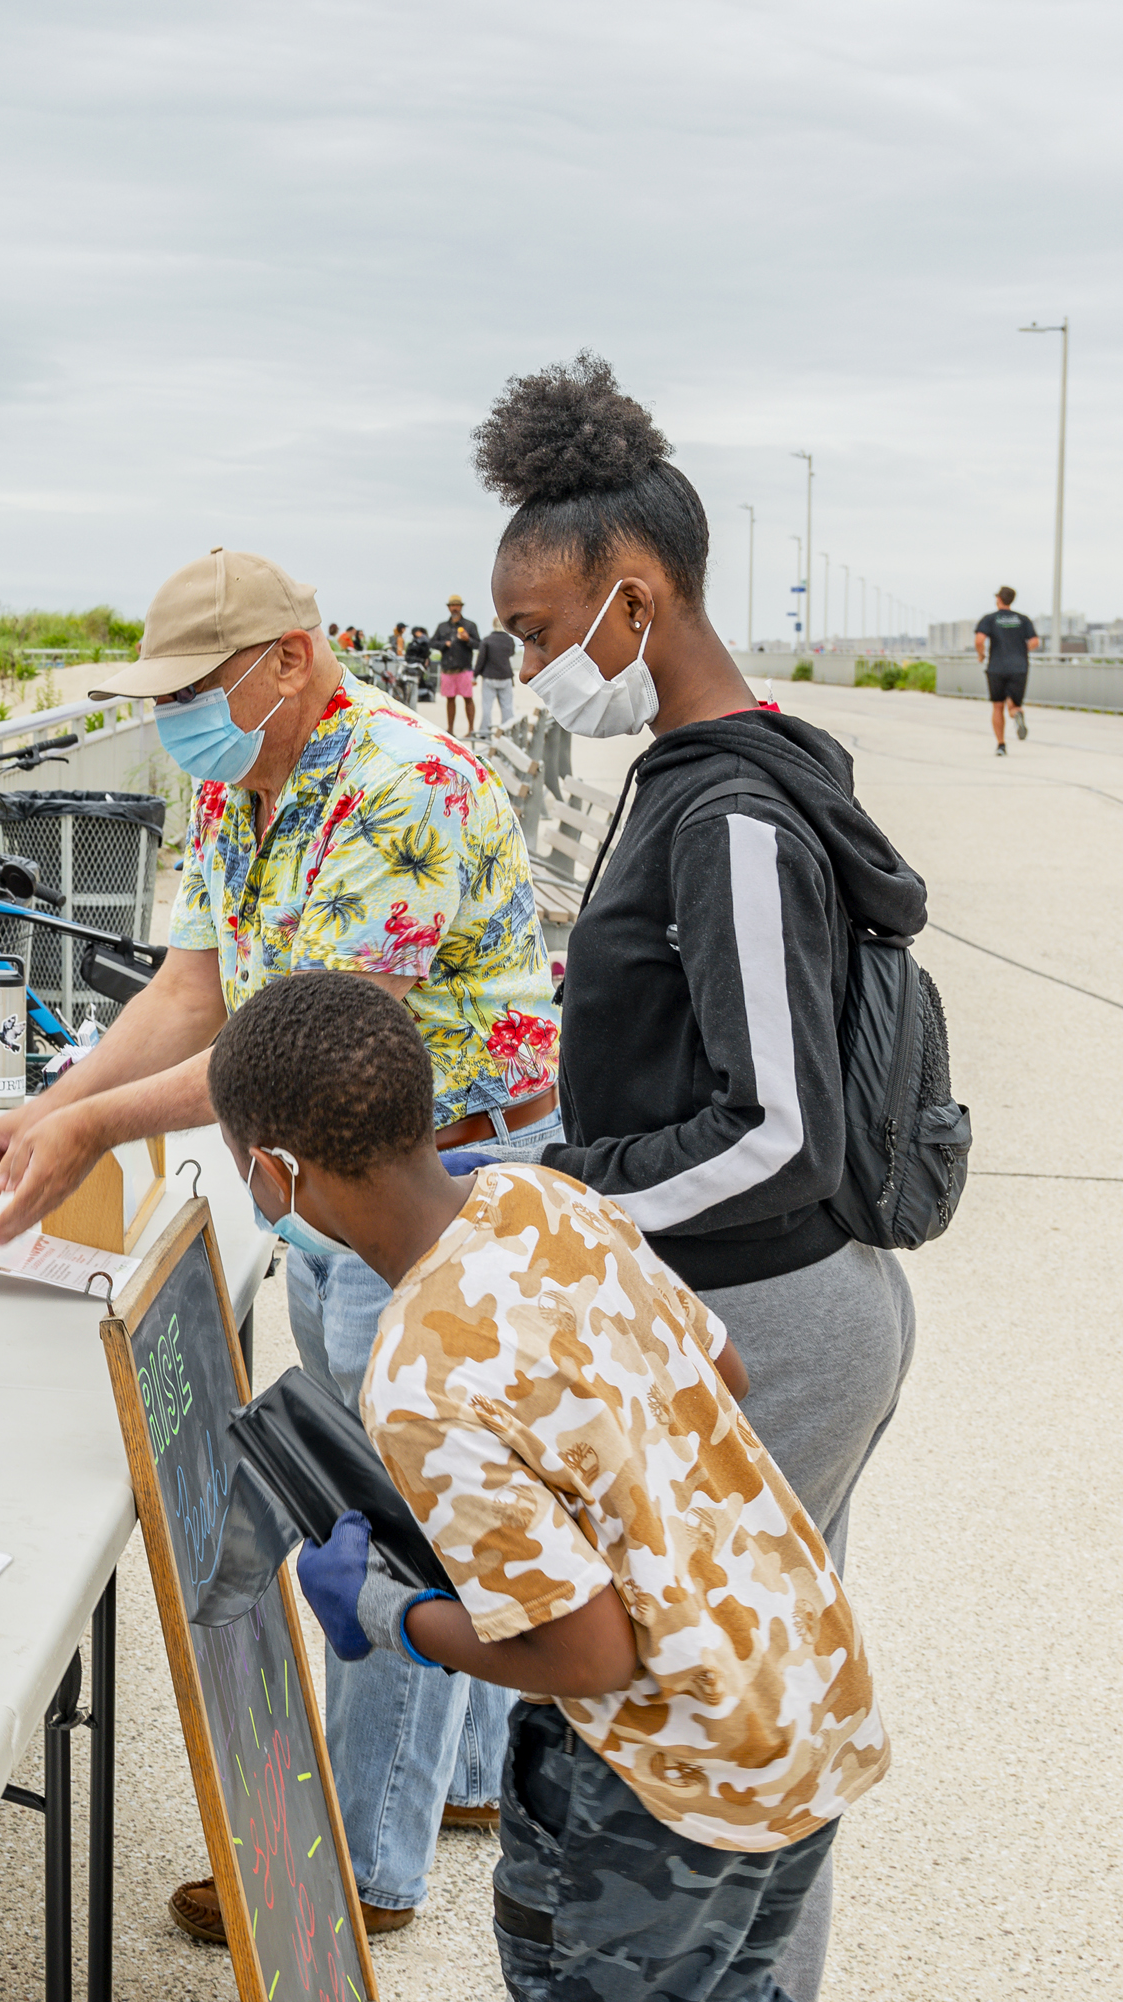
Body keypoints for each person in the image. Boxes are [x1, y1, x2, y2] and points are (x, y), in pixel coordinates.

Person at [0, 546, 562, 1938]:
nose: (179, 715)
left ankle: (358, 1866)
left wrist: (96, 1132)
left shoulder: (405, 786)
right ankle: (457, 1777)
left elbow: (287, 1040)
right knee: (436, 1479)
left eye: (197, 686)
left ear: (292, 655)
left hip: (436, 1176)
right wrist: (56, 1103)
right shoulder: (236, 784)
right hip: (328, 1177)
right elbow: (192, 988)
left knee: (392, 1494)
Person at [478, 351, 923, 1999]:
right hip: (758, 1304)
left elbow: (777, 1128)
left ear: (635, 594)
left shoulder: (730, 806)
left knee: (711, 1736)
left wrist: (558, 1205)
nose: (525, 667)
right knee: (765, 1708)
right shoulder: (701, 768)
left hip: (780, 1320)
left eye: (537, 633)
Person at [212, 971, 884, 2002]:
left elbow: (591, 1649)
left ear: (274, 1170)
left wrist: (388, 1611)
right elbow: (727, 1377)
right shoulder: (544, 1196)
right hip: (796, 1692)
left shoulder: (419, 1376)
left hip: (671, 1779)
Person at [973, 585, 1038, 752]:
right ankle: (1016, 713)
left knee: (997, 706)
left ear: (999, 599)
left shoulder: (990, 619)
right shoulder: (1023, 619)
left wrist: (981, 655)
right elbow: (1035, 642)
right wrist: (1020, 650)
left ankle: (1001, 745)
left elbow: (979, 640)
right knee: (1014, 704)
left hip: (997, 667)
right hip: (1019, 667)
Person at [433, 593, 482, 736]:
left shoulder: (470, 626)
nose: (455, 608)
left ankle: (471, 729)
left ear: (461, 607)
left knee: (468, 698)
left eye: (457, 606)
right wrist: (443, 644)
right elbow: (432, 642)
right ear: (449, 608)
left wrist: (468, 639)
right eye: (452, 606)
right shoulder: (442, 626)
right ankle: (450, 729)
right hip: (448, 669)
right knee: (450, 700)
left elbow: (478, 644)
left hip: (464, 668)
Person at [477, 619, 519, 730]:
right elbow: (512, 653)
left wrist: (475, 674)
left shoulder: (487, 640)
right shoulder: (509, 640)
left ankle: (484, 731)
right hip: (505, 676)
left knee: (487, 707)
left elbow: (481, 659)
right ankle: (508, 730)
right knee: (507, 707)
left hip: (489, 677)